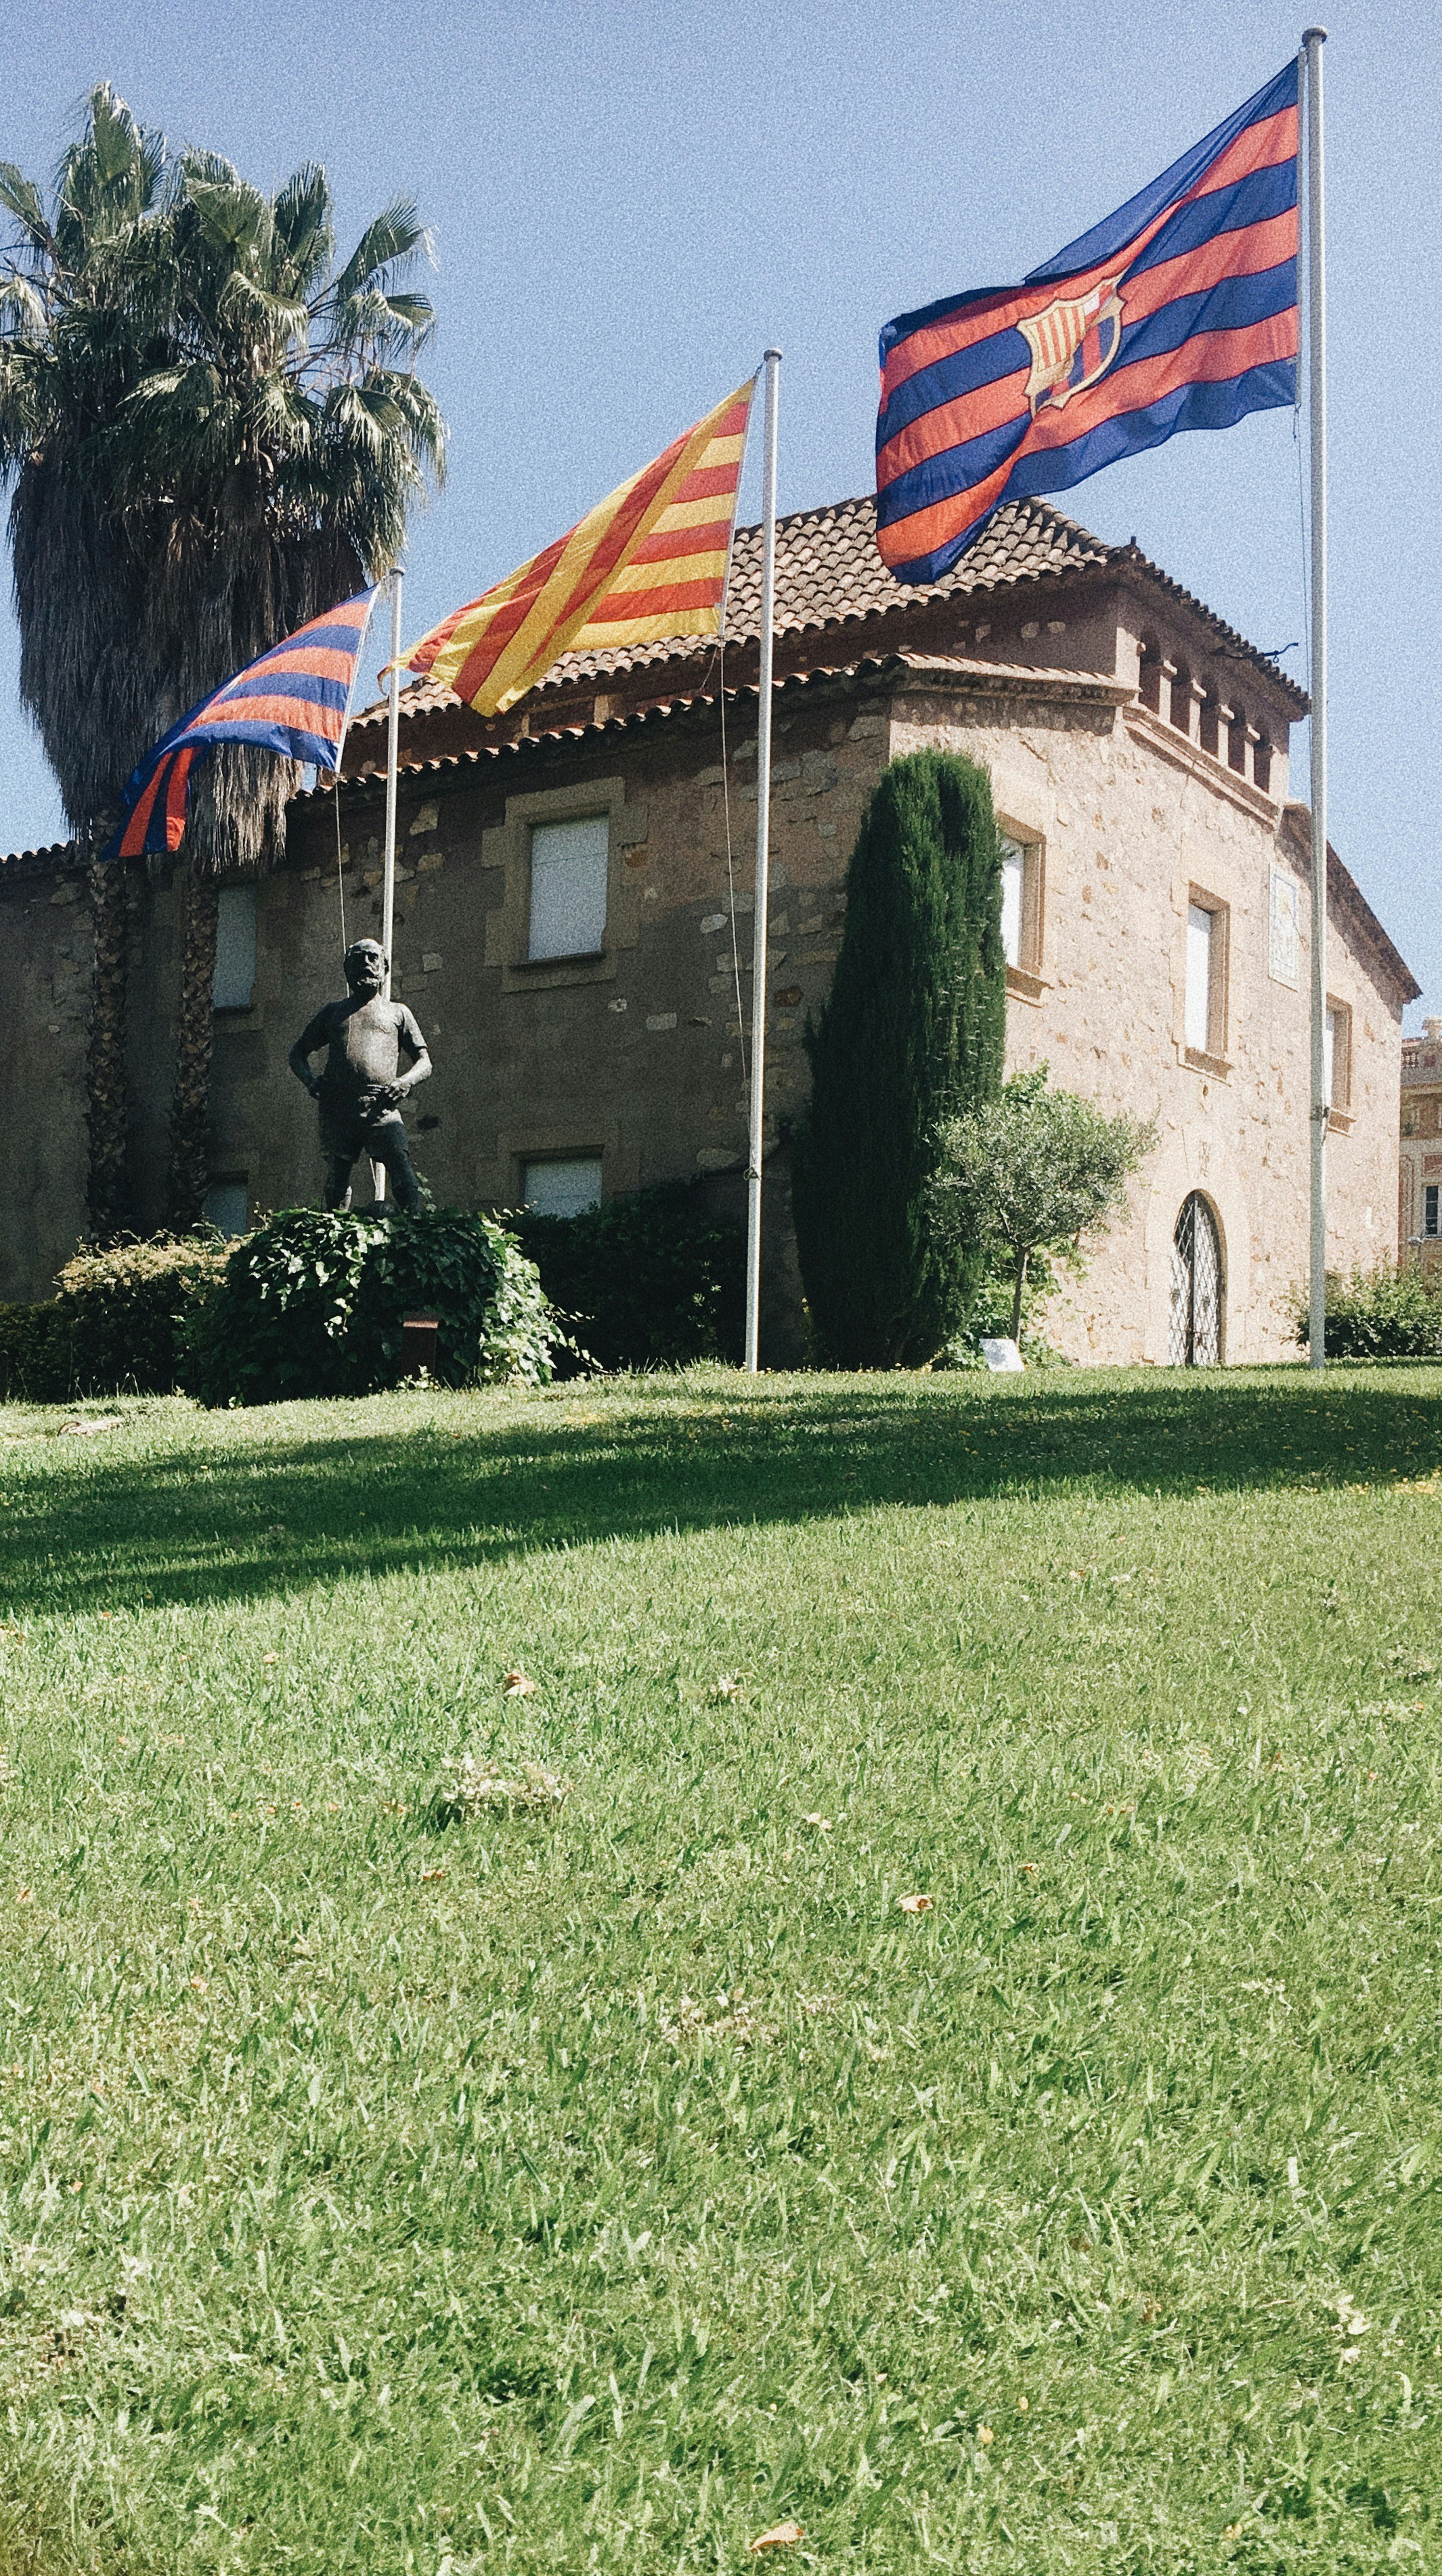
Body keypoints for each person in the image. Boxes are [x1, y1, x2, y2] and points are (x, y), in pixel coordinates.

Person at [288, 939, 432, 1215]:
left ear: (384, 968)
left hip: (382, 1107)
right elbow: (297, 1054)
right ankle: (335, 1230)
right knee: (337, 1182)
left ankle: (416, 1226)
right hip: (340, 1108)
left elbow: (424, 1062)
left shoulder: (398, 1013)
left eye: (372, 958)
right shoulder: (333, 1013)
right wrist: (311, 1082)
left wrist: (404, 1082)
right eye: (358, 960)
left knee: (403, 1172)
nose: (366, 964)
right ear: (348, 970)